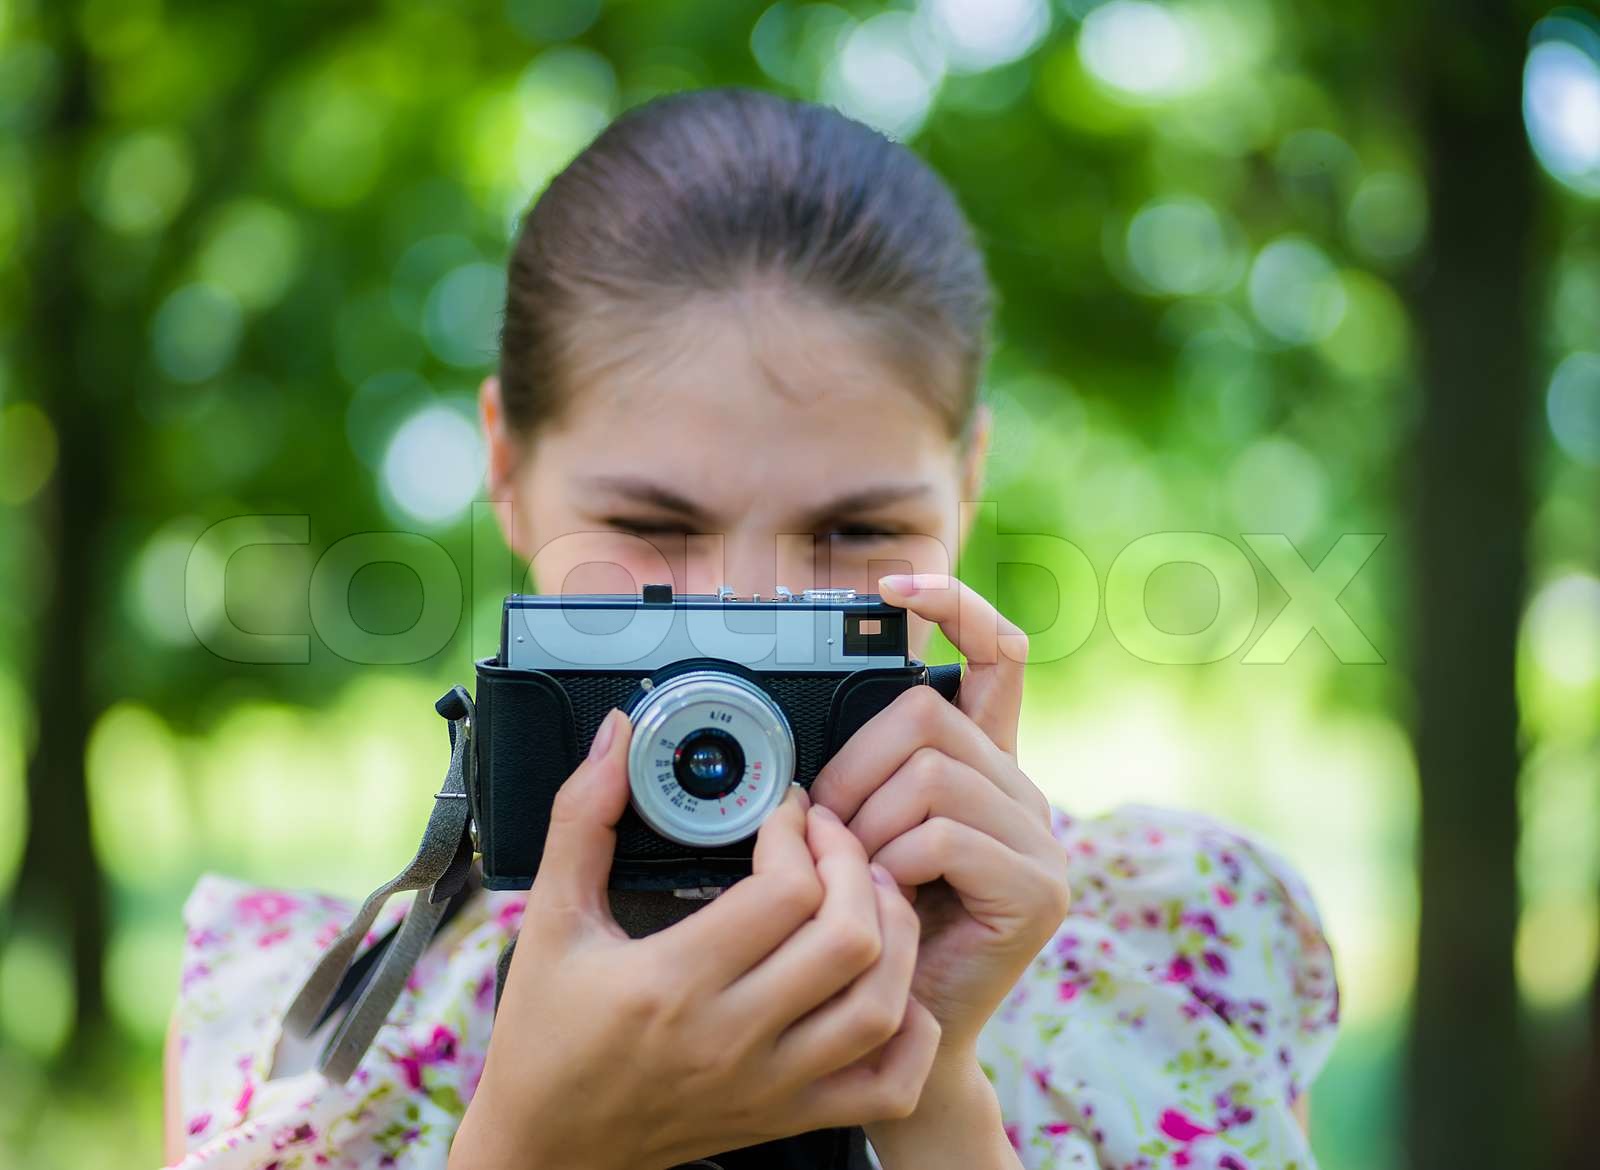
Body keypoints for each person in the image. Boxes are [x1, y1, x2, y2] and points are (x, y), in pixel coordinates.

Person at [161, 88, 1339, 1170]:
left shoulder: (1192, 937)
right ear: (508, 469)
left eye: (854, 532)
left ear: (965, 486)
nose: (742, 621)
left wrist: (932, 1093)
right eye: (651, 528)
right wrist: (529, 1145)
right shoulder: (283, 1015)